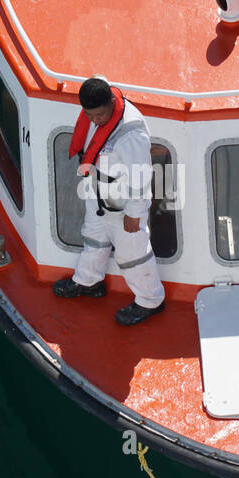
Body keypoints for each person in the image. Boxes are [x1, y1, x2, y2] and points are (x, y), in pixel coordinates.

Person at [52, 78, 166, 325]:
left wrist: (134, 214)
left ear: (112, 103)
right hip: (99, 195)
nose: (95, 121)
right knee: (93, 239)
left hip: (123, 205)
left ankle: (150, 300)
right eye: (90, 116)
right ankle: (88, 281)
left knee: (132, 255)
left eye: (100, 116)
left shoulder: (131, 135)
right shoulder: (96, 109)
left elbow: (141, 179)